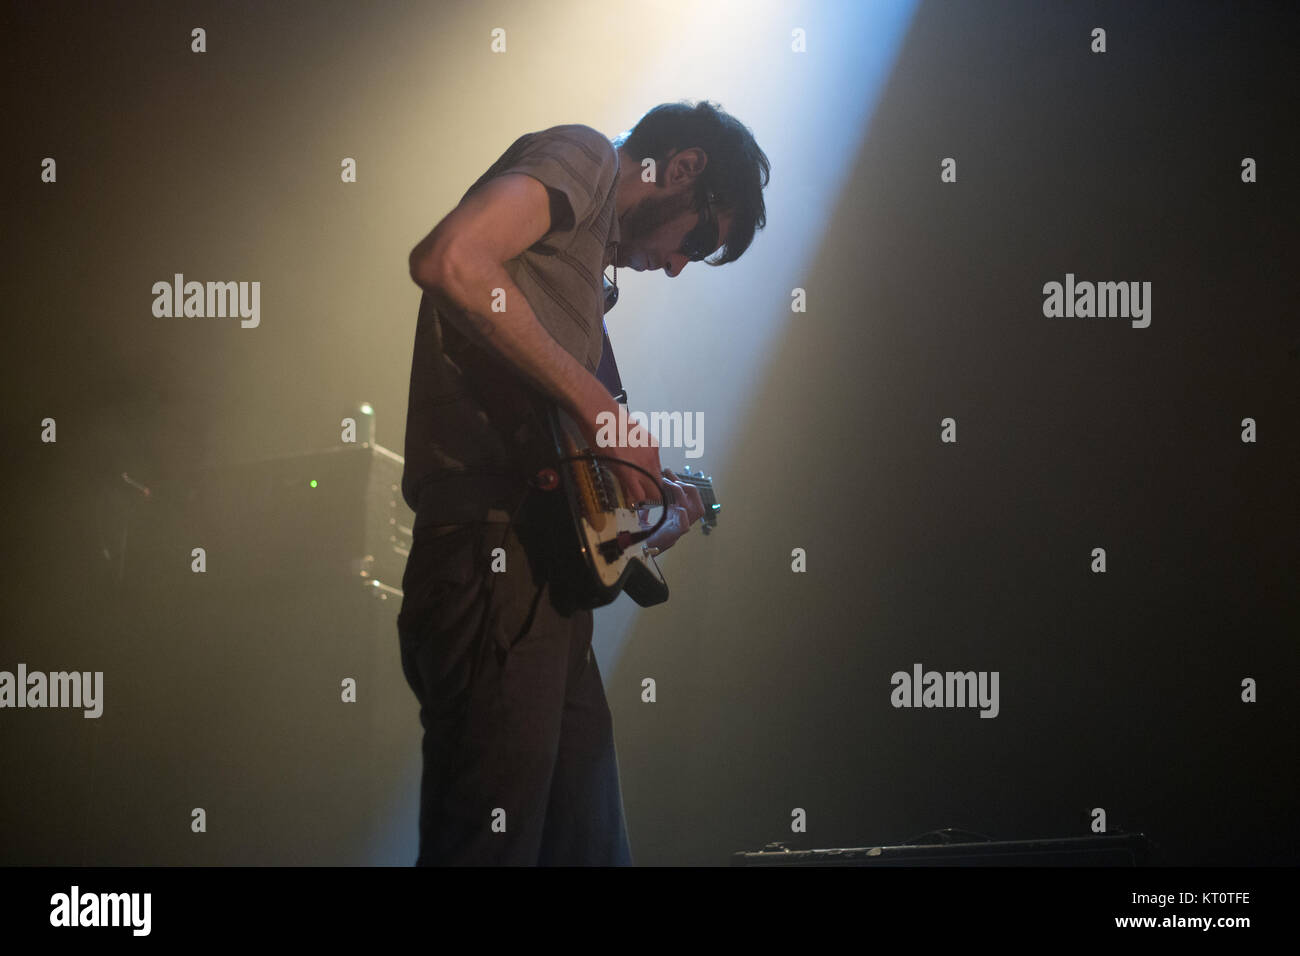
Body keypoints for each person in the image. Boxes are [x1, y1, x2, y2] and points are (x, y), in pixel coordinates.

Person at [397, 100, 770, 865]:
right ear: (683, 168)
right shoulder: (587, 156)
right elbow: (450, 260)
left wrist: (646, 514)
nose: (676, 264)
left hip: (544, 577)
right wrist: (604, 413)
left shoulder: (582, 284)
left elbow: (559, 454)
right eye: (696, 238)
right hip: (493, 555)